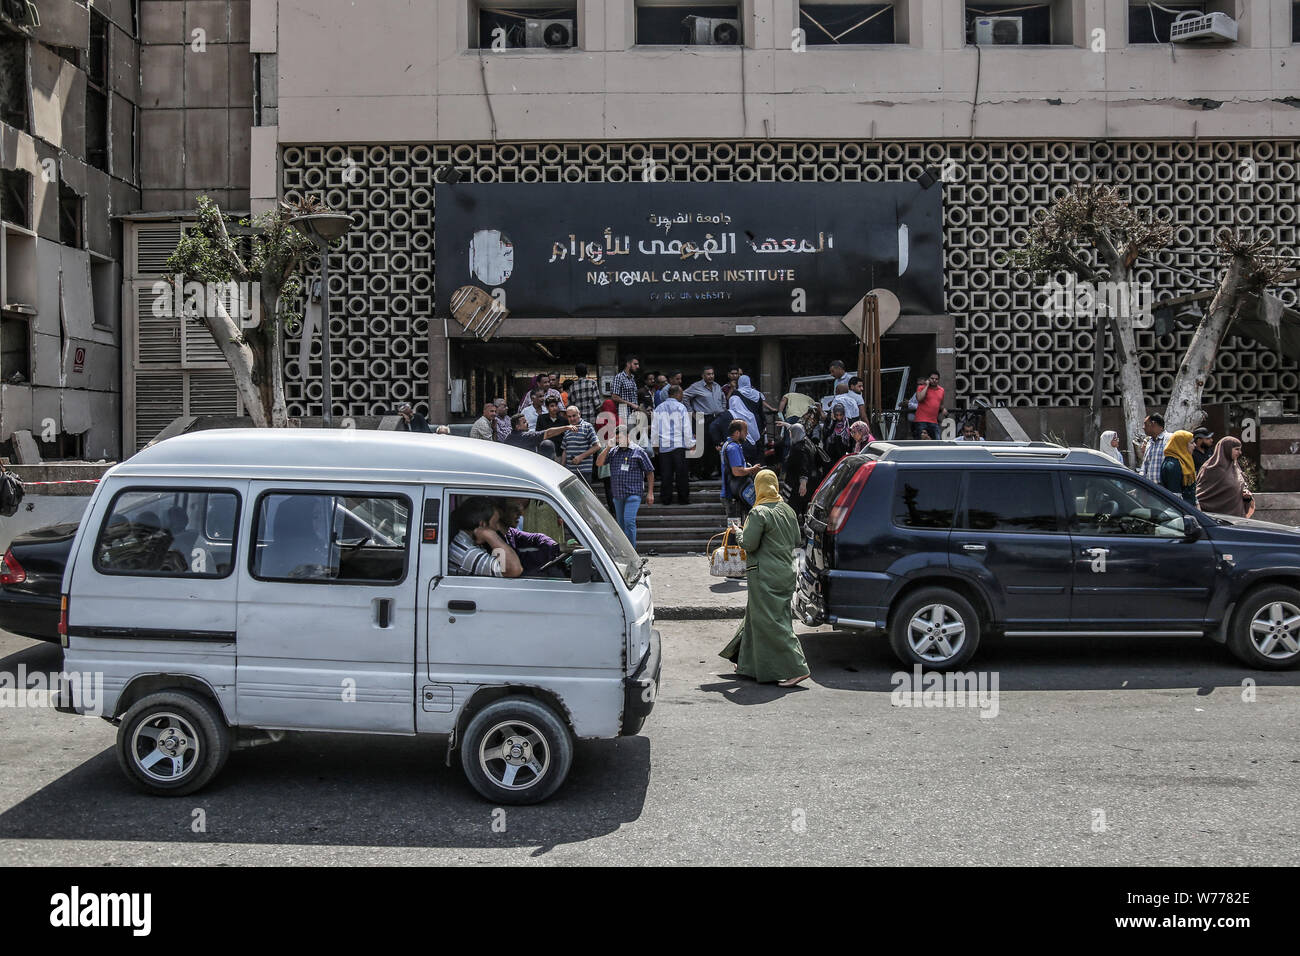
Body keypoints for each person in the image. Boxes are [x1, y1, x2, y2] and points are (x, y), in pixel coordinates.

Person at [719, 469, 810, 687]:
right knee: (758, 618)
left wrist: (737, 531)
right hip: (787, 571)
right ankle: (748, 665)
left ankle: (797, 667)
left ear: (759, 487)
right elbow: (797, 539)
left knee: (772, 622)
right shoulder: (788, 510)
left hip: (764, 574)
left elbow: (749, 543)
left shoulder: (758, 513)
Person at [597, 426, 655, 548]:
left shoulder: (638, 451)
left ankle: (632, 551)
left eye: (621, 438)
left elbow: (649, 472)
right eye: (617, 439)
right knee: (621, 525)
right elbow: (599, 463)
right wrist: (608, 447)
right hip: (618, 495)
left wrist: (650, 493)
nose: (619, 441)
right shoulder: (613, 451)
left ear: (628, 436)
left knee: (629, 522)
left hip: (633, 494)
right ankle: (624, 550)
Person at [448, 496, 522, 577]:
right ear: (482, 524)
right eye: (496, 522)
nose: (497, 528)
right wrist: (491, 535)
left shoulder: (466, 541)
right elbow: (515, 569)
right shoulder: (467, 553)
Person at [652, 384, 695, 505]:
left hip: (664, 446)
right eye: (681, 393)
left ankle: (666, 499)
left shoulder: (659, 408)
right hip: (679, 445)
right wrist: (690, 443)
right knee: (682, 474)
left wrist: (655, 444)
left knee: (666, 474)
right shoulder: (681, 407)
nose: (682, 396)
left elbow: (655, 428)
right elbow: (686, 427)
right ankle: (683, 499)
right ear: (676, 394)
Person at [494, 498, 562, 575]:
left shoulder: (510, 532)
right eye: (514, 509)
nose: (520, 513)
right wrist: (557, 549)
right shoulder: (494, 540)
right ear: (501, 512)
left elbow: (537, 538)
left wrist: (554, 546)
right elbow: (523, 559)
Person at [1195, 436, 1255, 518]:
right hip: (1217, 520)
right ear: (1226, 449)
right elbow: (1202, 496)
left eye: (1240, 449)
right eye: (1236, 449)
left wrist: (1246, 496)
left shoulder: (1235, 467)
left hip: (1237, 518)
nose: (1240, 452)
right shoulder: (1211, 468)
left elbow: (1239, 487)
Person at [685, 366, 727, 479]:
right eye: (708, 374)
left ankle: (707, 473)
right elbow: (684, 396)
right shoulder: (696, 386)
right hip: (701, 418)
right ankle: (695, 473)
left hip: (716, 419)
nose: (711, 376)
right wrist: (691, 412)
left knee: (713, 446)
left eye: (712, 374)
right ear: (703, 376)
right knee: (699, 446)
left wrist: (722, 410)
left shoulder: (717, 386)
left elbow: (723, 399)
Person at [720, 420, 762, 520]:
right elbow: (737, 471)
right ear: (737, 433)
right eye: (745, 431)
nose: (747, 433)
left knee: (736, 528)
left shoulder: (728, 445)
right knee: (735, 529)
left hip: (734, 494)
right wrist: (753, 469)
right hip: (733, 496)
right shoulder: (733, 448)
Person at [783, 422, 825, 520]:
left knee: (793, 510)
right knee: (805, 508)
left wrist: (803, 483)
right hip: (811, 483)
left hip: (798, 486)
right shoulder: (807, 442)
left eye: (791, 433)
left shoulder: (799, 449)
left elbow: (803, 466)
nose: (790, 435)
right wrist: (788, 425)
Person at [503, 412, 575, 457]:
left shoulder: (508, 437)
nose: (527, 423)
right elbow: (549, 433)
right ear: (517, 427)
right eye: (524, 422)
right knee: (547, 444)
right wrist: (566, 427)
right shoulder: (525, 436)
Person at [561, 404, 600, 485]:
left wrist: (581, 457)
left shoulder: (587, 427)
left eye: (574, 415)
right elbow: (565, 450)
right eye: (569, 416)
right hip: (569, 472)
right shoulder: (567, 429)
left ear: (579, 414)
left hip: (584, 471)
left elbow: (597, 446)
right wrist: (562, 467)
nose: (572, 418)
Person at [1159, 429, 1198, 506]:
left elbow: (1190, 490)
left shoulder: (1185, 461)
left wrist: (1196, 504)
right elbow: (1175, 497)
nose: (1195, 445)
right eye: (1191, 443)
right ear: (1181, 445)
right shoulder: (1172, 465)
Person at [912, 371, 944, 440]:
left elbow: (940, 403)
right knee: (921, 444)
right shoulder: (921, 387)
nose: (934, 380)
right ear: (928, 379)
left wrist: (943, 409)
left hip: (934, 421)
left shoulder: (941, 390)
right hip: (921, 421)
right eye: (932, 378)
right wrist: (926, 386)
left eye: (936, 379)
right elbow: (919, 398)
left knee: (937, 443)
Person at [1137, 413, 1167, 483]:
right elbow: (1144, 467)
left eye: (1145, 424)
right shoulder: (1149, 442)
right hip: (1151, 489)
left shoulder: (1169, 439)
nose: (1143, 427)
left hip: (1165, 489)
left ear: (1153, 424)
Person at [610, 355, 641, 420]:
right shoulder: (619, 377)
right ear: (628, 364)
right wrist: (631, 404)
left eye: (638, 364)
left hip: (634, 414)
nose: (637, 366)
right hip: (624, 415)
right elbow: (614, 397)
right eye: (635, 364)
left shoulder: (632, 378)